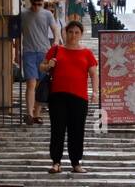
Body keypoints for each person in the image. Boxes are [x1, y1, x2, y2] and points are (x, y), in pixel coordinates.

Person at [40, 20, 97, 174]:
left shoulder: (87, 53)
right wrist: (48, 65)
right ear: (65, 32)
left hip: (79, 97)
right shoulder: (56, 50)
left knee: (77, 130)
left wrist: (95, 92)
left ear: (81, 34)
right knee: (57, 129)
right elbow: (42, 66)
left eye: (76, 32)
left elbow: (93, 74)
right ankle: (56, 162)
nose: (73, 35)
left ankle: (76, 162)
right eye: (70, 32)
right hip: (58, 95)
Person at [18, 0, 60, 125]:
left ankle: (36, 114)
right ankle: (29, 114)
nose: (36, 7)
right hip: (29, 52)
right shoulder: (23, 14)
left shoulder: (47, 14)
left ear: (43, 2)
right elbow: (17, 33)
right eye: (34, 4)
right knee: (31, 82)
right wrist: (18, 52)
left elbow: (55, 29)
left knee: (42, 84)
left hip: (44, 52)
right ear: (30, 2)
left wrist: (56, 41)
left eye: (39, 4)